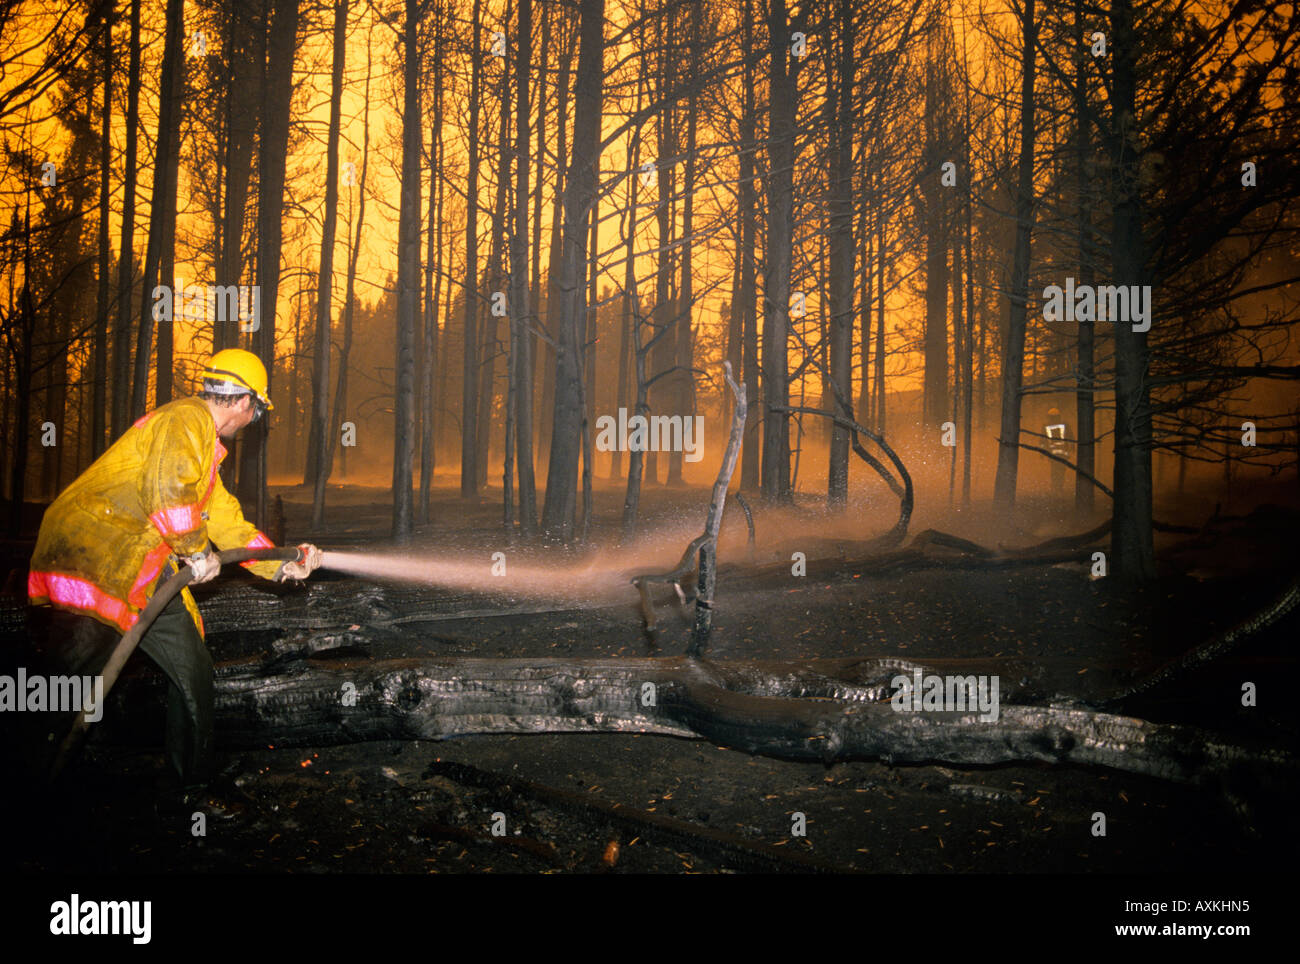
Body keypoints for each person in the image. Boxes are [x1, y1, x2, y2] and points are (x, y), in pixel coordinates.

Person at [24, 349, 322, 807]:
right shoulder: (185, 419)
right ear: (246, 403)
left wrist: (282, 563)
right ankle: (31, 783)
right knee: (72, 676)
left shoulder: (204, 455)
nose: (251, 424)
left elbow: (226, 522)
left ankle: (193, 786)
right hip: (93, 555)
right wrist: (196, 550)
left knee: (192, 667)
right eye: (256, 412)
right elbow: (166, 489)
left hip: (144, 571)